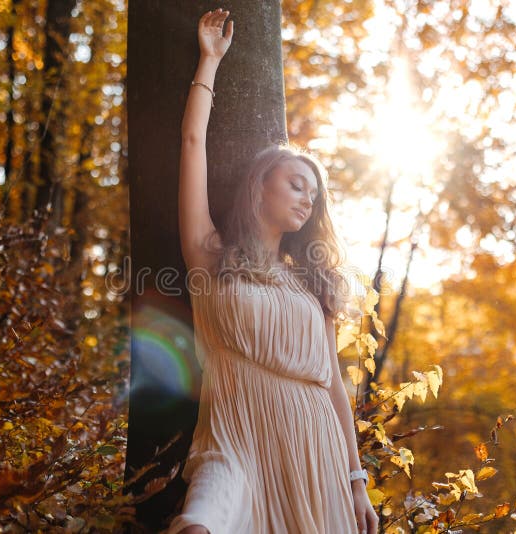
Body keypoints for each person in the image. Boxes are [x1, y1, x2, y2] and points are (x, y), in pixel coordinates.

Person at [166, 8, 380, 534]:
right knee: (198, 524)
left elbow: (332, 383)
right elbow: (192, 145)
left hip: (316, 454)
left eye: (314, 191)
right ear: (260, 184)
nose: (308, 199)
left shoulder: (312, 281)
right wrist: (209, 62)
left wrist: (357, 481)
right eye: (295, 183)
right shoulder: (211, 254)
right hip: (235, 439)